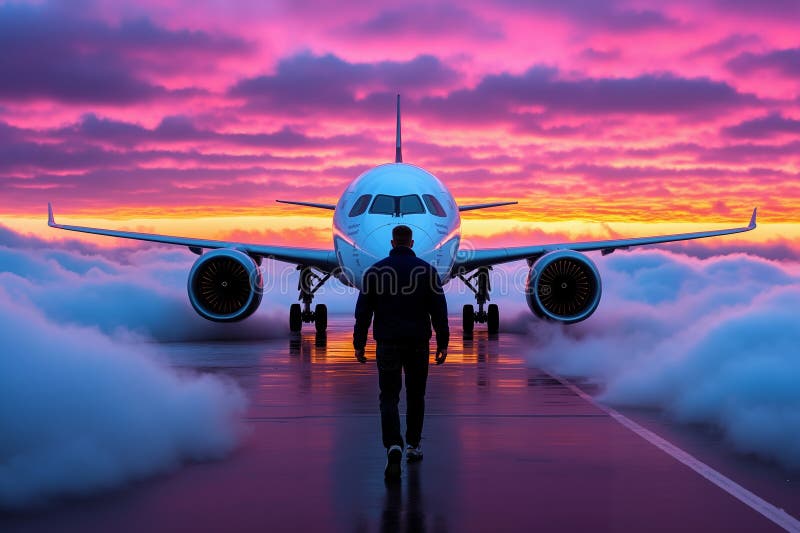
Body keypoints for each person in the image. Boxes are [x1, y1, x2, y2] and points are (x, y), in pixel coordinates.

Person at [354, 224, 449, 480]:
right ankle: (413, 445)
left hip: (388, 344)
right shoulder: (426, 271)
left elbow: (363, 312)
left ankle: (393, 444)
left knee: (389, 397)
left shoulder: (376, 271)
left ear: (393, 243)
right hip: (418, 343)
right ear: (412, 242)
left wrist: (359, 343)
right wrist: (443, 342)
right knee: (416, 396)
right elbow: (439, 310)